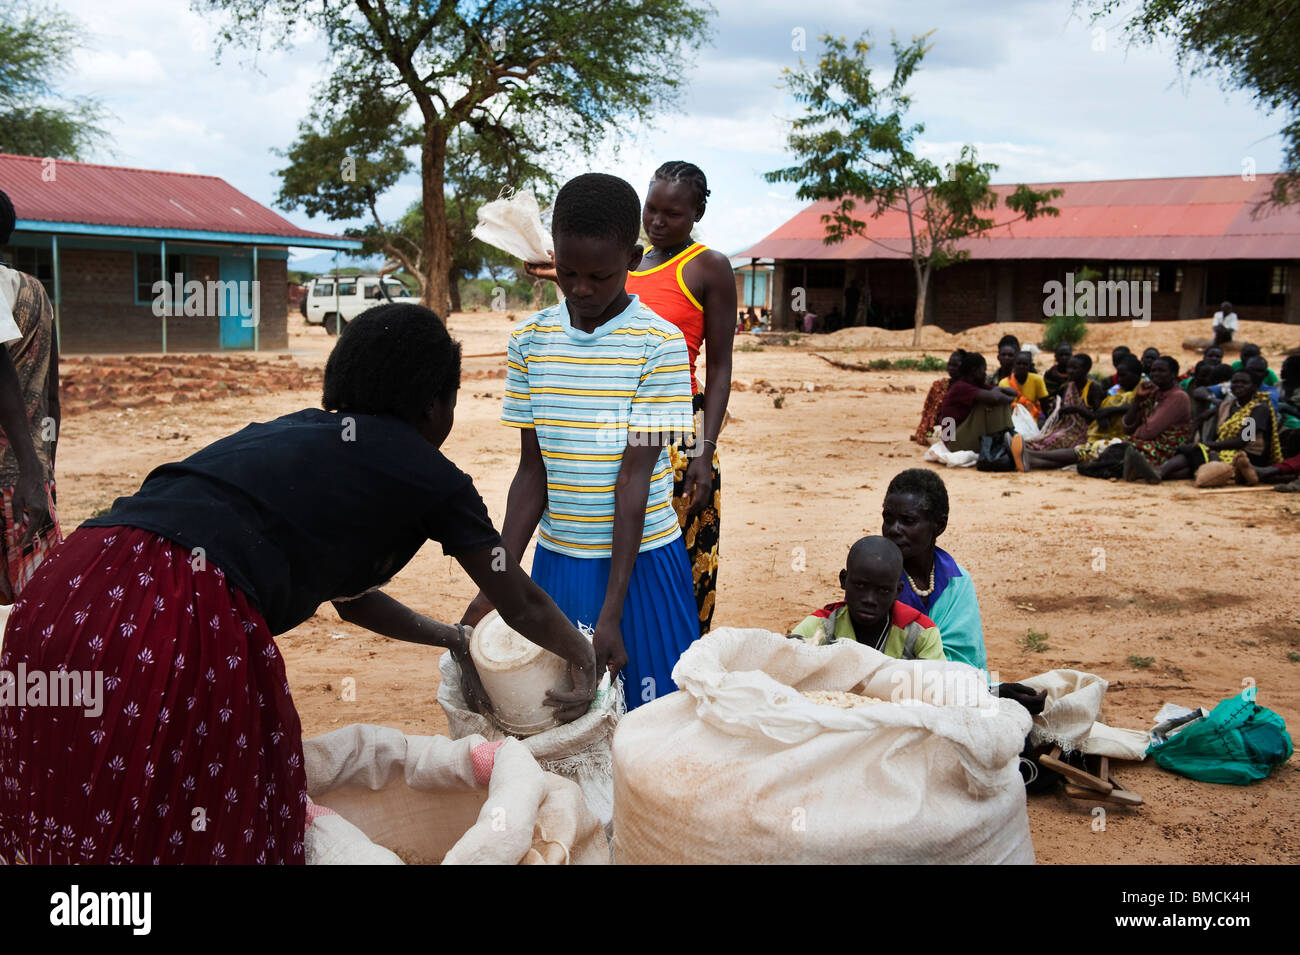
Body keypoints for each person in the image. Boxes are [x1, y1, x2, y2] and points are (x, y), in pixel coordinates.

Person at [0, 303, 598, 865]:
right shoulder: (432, 476)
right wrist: (582, 652)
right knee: (206, 811)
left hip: (67, 589)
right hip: (172, 614)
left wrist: (453, 638)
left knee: (86, 792)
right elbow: (516, 597)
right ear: (434, 407)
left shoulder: (293, 436)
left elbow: (354, 602)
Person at [467, 172, 698, 712]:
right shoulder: (530, 342)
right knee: (564, 723)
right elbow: (532, 474)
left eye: (599, 276)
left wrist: (611, 613)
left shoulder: (658, 344)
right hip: (560, 563)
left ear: (633, 260)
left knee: (652, 717)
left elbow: (633, 478)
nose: (580, 289)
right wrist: (496, 585)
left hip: (640, 567)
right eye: (568, 273)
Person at [0, 188, 60, 605]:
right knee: (38, 606)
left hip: (15, 475)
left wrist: (29, 469)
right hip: (30, 479)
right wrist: (44, 471)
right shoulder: (36, 291)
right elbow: (52, 394)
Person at [880, 469, 985, 670]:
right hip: (890, 684)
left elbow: (967, 659)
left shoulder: (957, 581)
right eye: (888, 518)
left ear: (939, 526)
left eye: (908, 521)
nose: (894, 529)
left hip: (956, 683)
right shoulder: (874, 578)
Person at [789, 536, 945, 660]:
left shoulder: (920, 632)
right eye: (860, 586)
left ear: (897, 591)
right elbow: (785, 661)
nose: (869, 599)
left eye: (883, 590)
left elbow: (937, 684)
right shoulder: (822, 625)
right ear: (843, 580)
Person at [1139, 369, 1281, 484]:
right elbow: (1214, 435)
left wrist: (1206, 446)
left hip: (1248, 455)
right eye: (1235, 382)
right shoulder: (1226, 406)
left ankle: (1160, 471)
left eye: (1244, 383)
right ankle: (1160, 473)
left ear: (1254, 387)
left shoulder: (1258, 409)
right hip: (1225, 450)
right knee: (1194, 458)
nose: (1238, 385)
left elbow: (1243, 440)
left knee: (1197, 452)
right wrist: (1206, 445)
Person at [1017, 356, 1141, 472]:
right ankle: (1028, 457)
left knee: (1067, 445)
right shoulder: (1117, 391)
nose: (1070, 372)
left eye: (1075, 368)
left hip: (1093, 432)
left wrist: (1080, 410)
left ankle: (1029, 456)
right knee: (1045, 439)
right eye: (1069, 368)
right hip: (1081, 430)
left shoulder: (1097, 388)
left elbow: (1098, 416)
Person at [1117, 355, 1193, 482]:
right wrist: (1138, 399)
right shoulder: (1153, 393)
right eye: (1153, 370)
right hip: (1146, 444)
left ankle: (1141, 471)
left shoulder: (1178, 397)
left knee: (1118, 451)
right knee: (1111, 448)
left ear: (1173, 374)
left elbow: (1148, 432)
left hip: (1164, 449)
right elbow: (1127, 427)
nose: (1156, 374)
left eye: (1161, 371)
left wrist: (1134, 436)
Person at [936, 351, 1016, 453]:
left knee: (996, 400)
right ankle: (1004, 436)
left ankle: (1005, 435)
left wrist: (1001, 394)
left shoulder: (976, 384)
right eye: (983, 370)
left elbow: (1012, 392)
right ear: (974, 371)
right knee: (986, 403)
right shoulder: (960, 387)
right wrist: (1003, 397)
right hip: (952, 441)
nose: (985, 374)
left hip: (961, 435)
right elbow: (995, 397)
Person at [911, 349, 964, 445]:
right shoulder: (939, 386)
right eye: (949, 364)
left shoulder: (967, 388)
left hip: (957, 430)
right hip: (938, 429)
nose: (951, 368)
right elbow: (928, 413)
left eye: (955, 366)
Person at [999, 350, 1049, 419]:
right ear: (1013, 365)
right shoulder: (1004, 383)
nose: (1021, 366)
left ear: (1030, 366)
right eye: (1018, 364)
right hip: (1012, 418)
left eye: (1025, 364)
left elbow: (1044, 402)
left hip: (1033, 417)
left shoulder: (1037, 380)